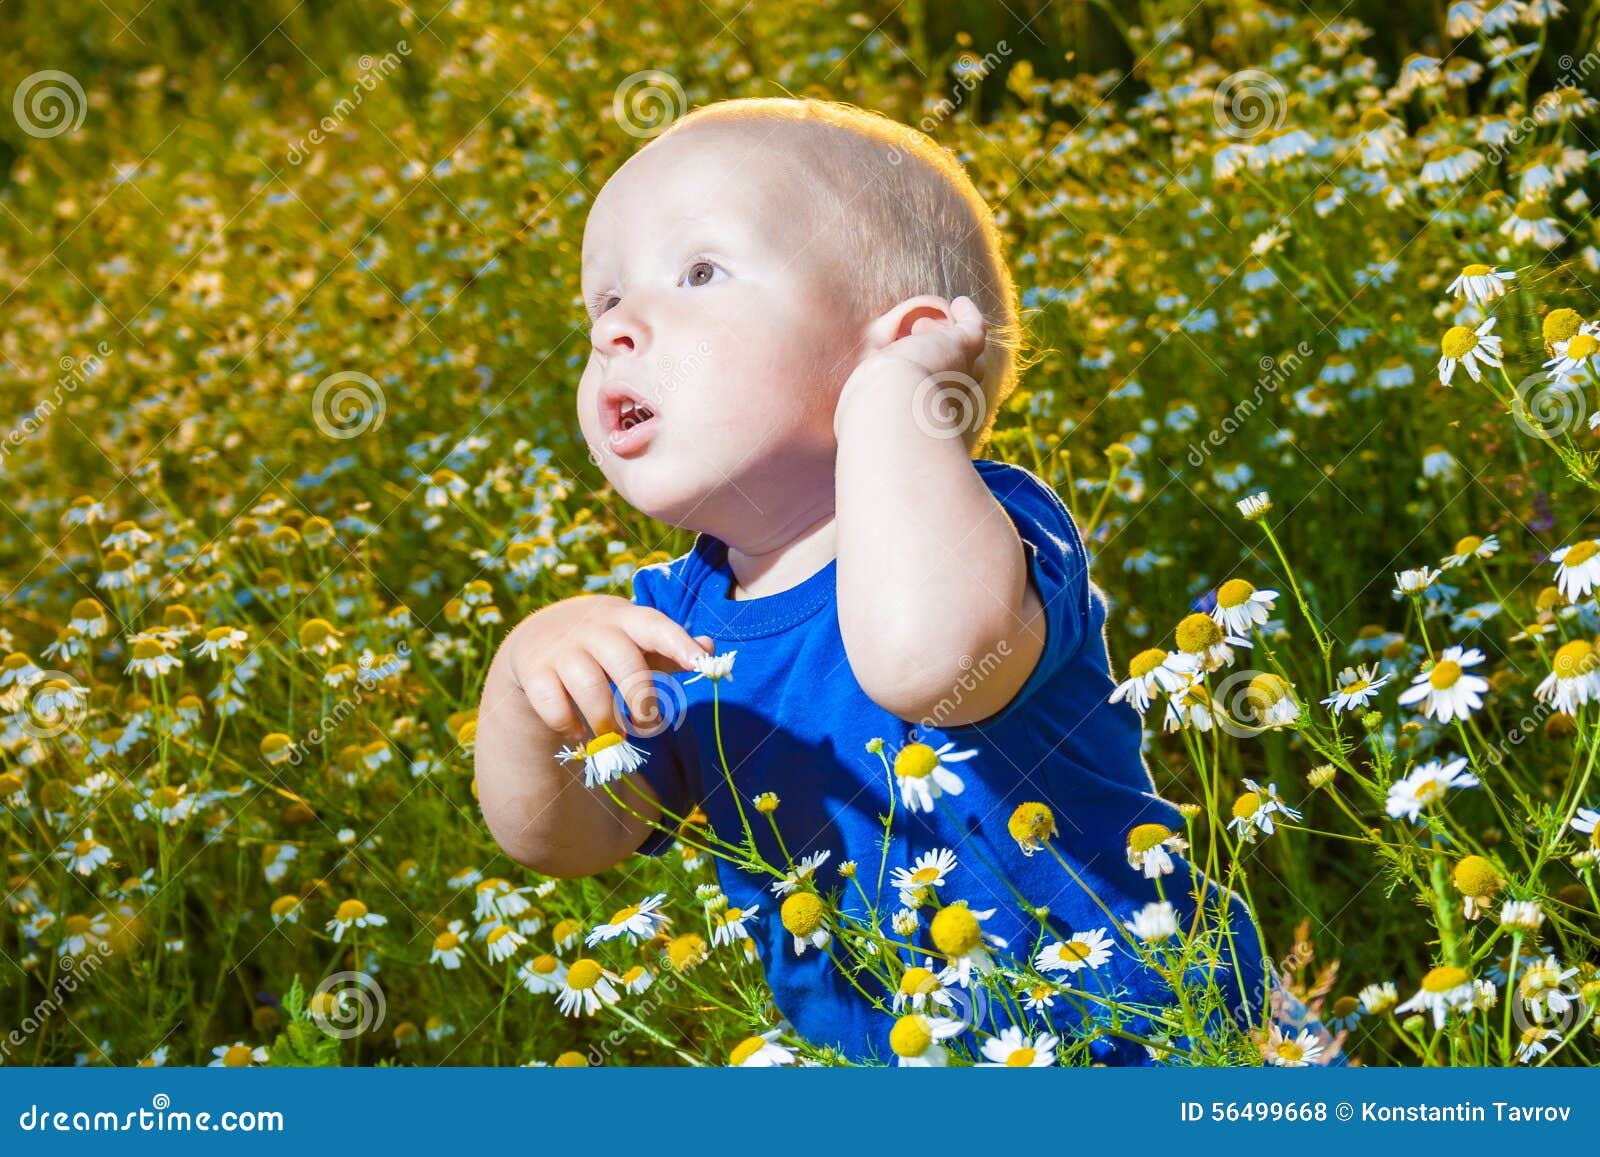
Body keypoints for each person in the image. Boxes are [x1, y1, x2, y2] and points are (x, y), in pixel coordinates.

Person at [476, 96, 1341, 1067]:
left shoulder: (996, 524)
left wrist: (892, 401)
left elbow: (926, 663)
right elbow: (572, 840)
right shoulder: (665, 630)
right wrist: (525, 689)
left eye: (698, 271)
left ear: (905, 338)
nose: (615, 331)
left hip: (1167, 1040)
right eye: (601, 303)